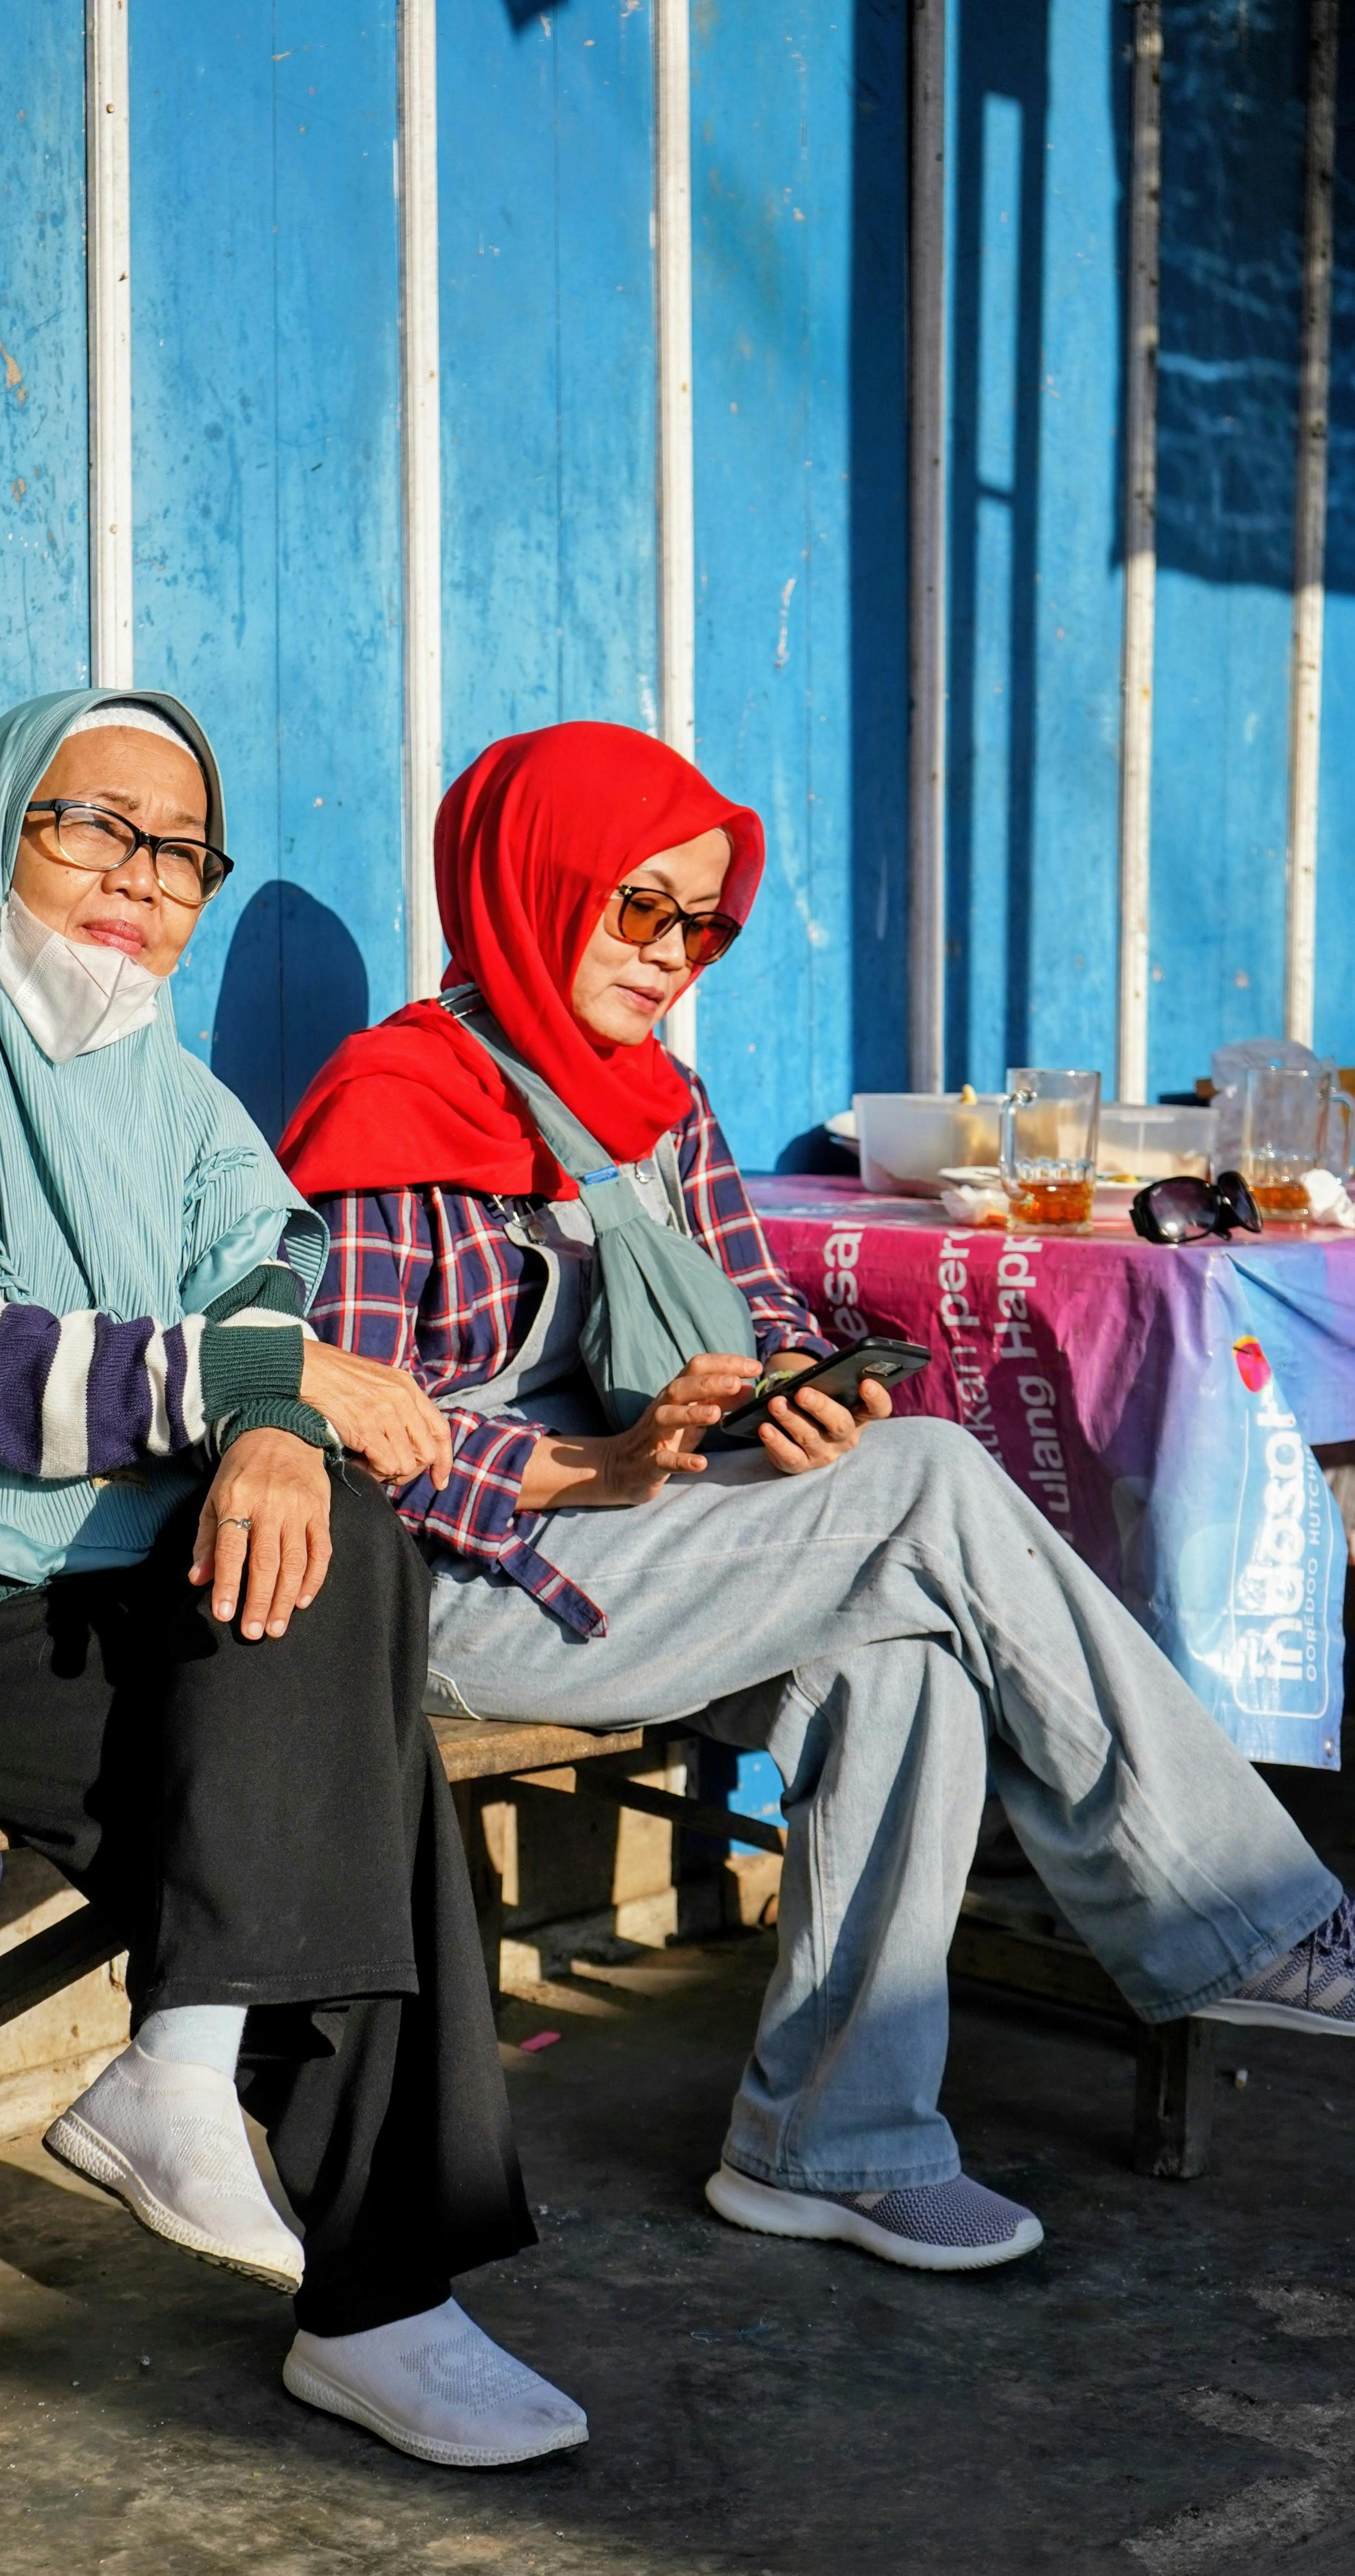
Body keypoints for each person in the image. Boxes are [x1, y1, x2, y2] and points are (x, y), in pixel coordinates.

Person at [279, 718, 1355, 2276]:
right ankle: (1245, 1917)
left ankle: (827, 2145)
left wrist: (795, 1392)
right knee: (924, 1486)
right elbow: (359, 1439)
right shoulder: (394, 1111)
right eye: (635, 907)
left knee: (902, 1653)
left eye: (699, 923)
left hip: (660, 1535)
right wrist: (589, 1465)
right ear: (528, 881)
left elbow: (759, 1308)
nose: (670, 954)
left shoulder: (660, 1099)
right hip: (475, 1582)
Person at [0, 690, 587, 2468]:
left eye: (180, 855)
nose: (139, 884)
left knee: (331, 1579)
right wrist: (258, 1392)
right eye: (91, 828)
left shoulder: (169, 1098)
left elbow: (269, 1272)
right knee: (348, 1773)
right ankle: (373, 2291)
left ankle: (190, 2069)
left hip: (80, 1585)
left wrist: (271, 1429)